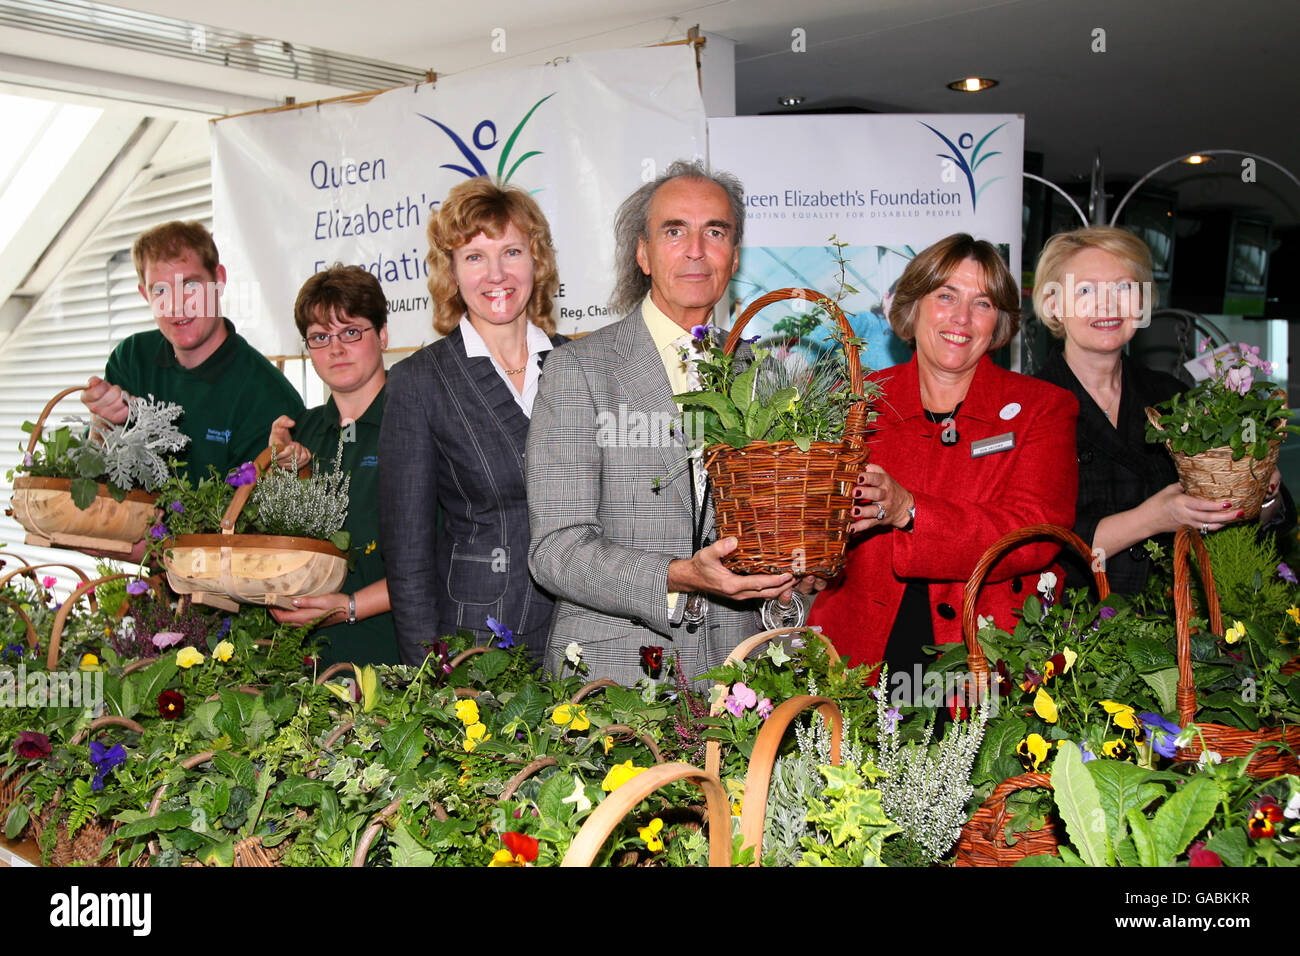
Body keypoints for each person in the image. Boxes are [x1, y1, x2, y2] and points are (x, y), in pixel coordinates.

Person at [527, 160, 805, 686]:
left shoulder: (767, 377)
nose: (696, 249)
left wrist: (804, 560)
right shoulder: (579, 370)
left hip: (745, 672)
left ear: (734, 255)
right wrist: (676, 577)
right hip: (616, 678)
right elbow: (555, 551)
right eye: (674, 231)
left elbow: (778, 530)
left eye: (715, 232)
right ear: (644, 253)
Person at [808, 233, 1080, 684]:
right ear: (913, 308)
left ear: (998, 324)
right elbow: (816, 524)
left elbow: (1036, 533)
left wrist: (909, 511)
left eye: (983, 303)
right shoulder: (854, 404)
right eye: (946, 296)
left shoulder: (1043, 409)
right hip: (857, 654)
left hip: (984, 658)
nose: (962, 318)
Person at [1031, 226, 1287, 594]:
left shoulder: (1172, 399)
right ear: (1054, 305)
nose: (1108, 305)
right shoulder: (1031, 406)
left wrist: (1260, 488)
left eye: (1123, 288)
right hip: (1068, 635)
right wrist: (1152, 519)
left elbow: (1240, 525)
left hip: (1178, 626)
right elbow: (1039, 548)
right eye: (1085, 290)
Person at [378, 178, 564, 665]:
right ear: (452, 272)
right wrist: (429, 676)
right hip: (475, 650)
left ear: (537, 261)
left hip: (581, 633)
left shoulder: (579, 365)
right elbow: (408, 556)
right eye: (475, 256)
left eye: (512, 252)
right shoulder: (418, 382)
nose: (496, 274)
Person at [80, 220, 304, 482]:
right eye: (161, 290)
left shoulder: (268, 397)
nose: (177, 305)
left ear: (218, 280)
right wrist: (102, 424)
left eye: (190, 286)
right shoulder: (131, 359)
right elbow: (99, 482)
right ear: (145, 295)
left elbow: (248, 515)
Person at [265, 264, 398, 666]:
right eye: (320, 337)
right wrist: (274, 477)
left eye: (351, 332)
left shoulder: (414, 422)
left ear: (384, 335)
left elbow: (442, 557)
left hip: (393, 659)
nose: (335, 349)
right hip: (302, 662)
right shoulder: (297, 430)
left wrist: (351, 606)